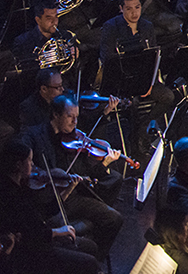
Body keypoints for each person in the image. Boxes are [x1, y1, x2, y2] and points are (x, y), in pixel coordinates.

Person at [19, 95, 125, 260]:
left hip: (73, 195)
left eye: (76, 117)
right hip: (48, 198)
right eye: (70, 116)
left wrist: (103, 164)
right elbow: (23, 162)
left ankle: (97, 260)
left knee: (115, 218)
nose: (75, 122)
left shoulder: (74, 137)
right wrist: (45, 173)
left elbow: (84, 170)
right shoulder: (33, 135)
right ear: (55, 114)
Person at [0, 139, 100, 274]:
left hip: (38, 239)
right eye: (29, 160)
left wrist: (68, 189)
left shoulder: (21, 185)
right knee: (89, 262)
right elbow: (32, 233)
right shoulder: (8, 194)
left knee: (90, 246)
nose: (32, 164)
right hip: (27, 252)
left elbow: (43, 212)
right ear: (18, 165)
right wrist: (58, 232)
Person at [97, 0, 177, 156]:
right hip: (121, 82)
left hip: (144, 80)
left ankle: (143, 126)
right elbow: (108, 60)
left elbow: (153, 58)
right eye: (129, 8)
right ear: (121, 8)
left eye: (137, 7)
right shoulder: (110, 27)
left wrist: (149, 83)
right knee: (131, 104)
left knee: (168, 96)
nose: (134, 13)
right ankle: (136, 148)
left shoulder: (147, 26)